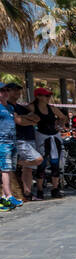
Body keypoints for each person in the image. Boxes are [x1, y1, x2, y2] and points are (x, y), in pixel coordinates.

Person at [30, 88, 68, 200]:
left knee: (55, 163)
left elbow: (63, 117)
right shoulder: (32, 107)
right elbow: (22, 116)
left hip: (54, 137)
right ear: (38, 96)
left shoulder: (52, 108)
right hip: (41, 138)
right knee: (41, 164)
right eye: (46, 96)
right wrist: (31, 122)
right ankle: (40, 190)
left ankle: (55, 189)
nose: (48, 98)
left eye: (49, 96)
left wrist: (59, 124)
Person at [0, 83, 23, 211]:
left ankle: (4, 197)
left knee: (9, 169)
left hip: (12, 142)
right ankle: (9, 196)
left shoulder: (10, 108)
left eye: (7, 90)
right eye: (2, 90)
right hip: (2, 143)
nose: (5, 93)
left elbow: (17, 121)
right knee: (5, 170)